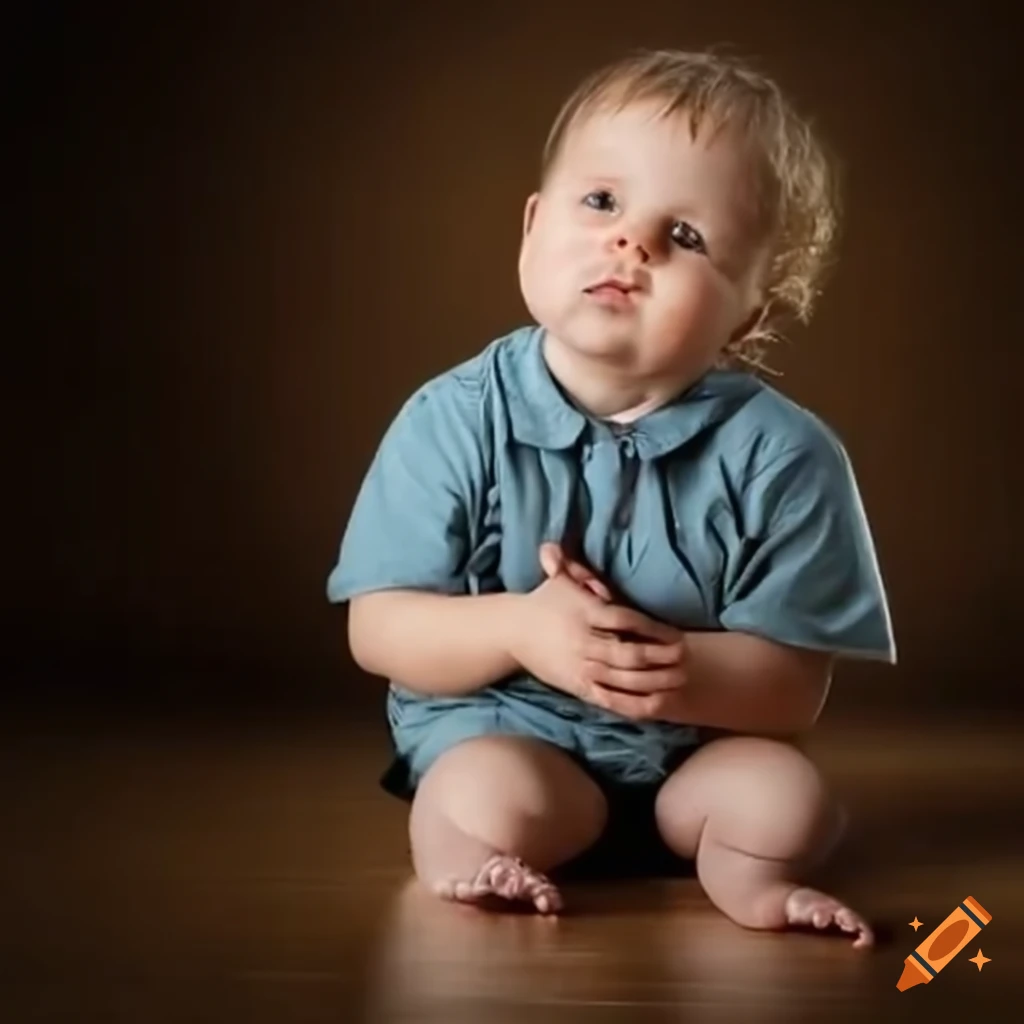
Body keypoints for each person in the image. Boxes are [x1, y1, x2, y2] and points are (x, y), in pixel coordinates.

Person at [326, 48, 895, 948]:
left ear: (746, 316)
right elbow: (380, 626)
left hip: (690, 762)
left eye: (689, 236)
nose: (630, 243)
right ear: (533, 224)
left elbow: (793, 689)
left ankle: (752, 884)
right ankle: (467, 858)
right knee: (479, 792)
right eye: (602, 203)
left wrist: (676, 670)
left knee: (789, 802)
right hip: (513, 737)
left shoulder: (787, 458)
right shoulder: (453, 418)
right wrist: (521, 630)